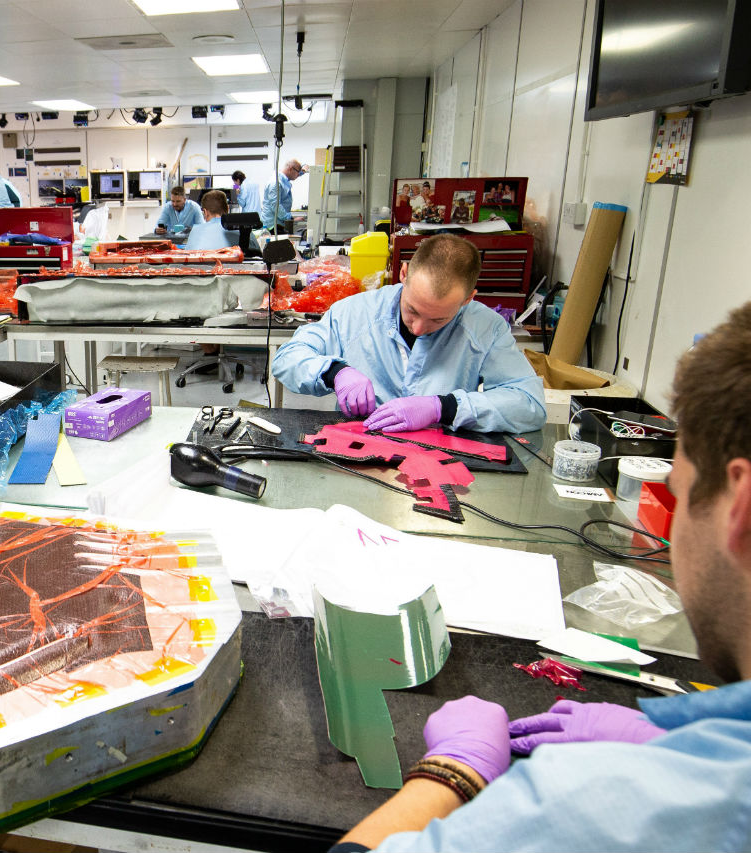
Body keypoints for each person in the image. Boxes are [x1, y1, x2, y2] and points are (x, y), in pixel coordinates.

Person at [334, 301, 751, 852]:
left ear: (739, 509)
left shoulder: (610, 807)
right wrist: (684, 735)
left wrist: (452, 774)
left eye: (678, 485)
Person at [271, 234, 544, 434]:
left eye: (439, 319)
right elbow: (287, 359)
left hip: (439, 462)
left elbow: (529, 404)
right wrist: (335, 372)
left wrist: (445, 407)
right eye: (412, 310)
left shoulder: (486, 328)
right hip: (359, 453)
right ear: (403, 273)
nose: (418, 328)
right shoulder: (354, 313)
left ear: (467, 299)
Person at [261, 158, 303, 234]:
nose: (298, 175)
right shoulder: (276, 182)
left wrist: (302, 171)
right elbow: (276, 206)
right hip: (273, 226)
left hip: (278, 223)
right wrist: (290, 218)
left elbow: (296, 174)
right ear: (290, 169)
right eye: (298, 172)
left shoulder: (283, 180)